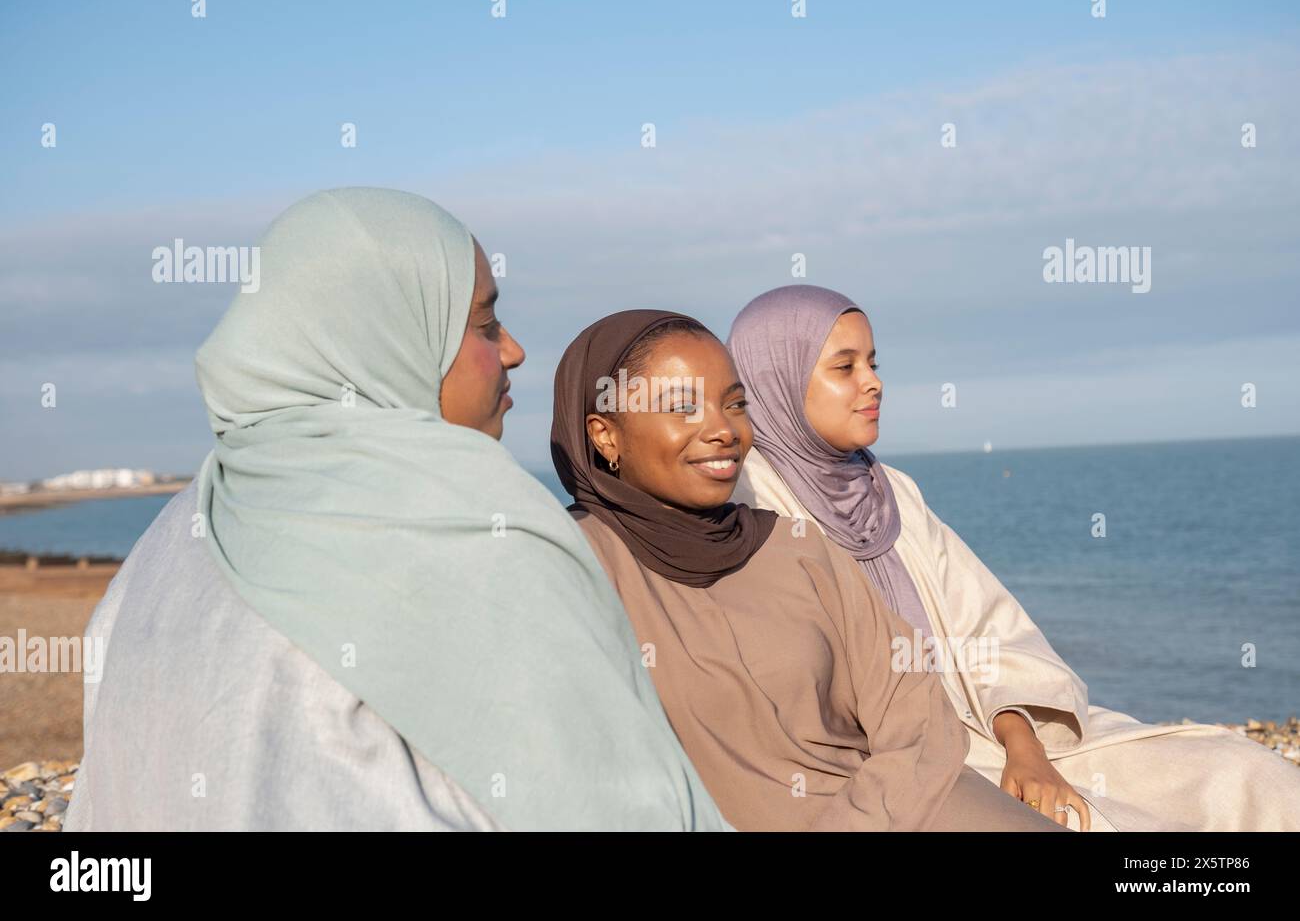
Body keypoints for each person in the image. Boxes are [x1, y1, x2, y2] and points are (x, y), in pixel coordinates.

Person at [64, 188, 727, 831]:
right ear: (389, 335)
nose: (514, 350)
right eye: (485, 324)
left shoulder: (178, 527)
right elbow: (616, 805)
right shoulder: (464, 522)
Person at [728, 283, 1300, 831]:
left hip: (999, 734)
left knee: (1247, 776)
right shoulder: (750, 509)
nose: (874, 383)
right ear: (777, 379)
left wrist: (1025, 750)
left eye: (875, 363)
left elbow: (989, 631)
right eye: (845, 367)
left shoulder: (890, 491)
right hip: (901, 768)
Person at [550, 308, 1066, 831]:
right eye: (683, 406)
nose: (723, 430)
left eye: (735, 404)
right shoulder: (572, 568)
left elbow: (913, 704)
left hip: (914, 806)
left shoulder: (790, 546)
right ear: (605, 435)